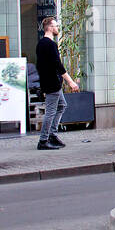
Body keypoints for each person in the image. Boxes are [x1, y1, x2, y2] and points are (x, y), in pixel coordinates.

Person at [36, 17, 80, 150]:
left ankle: (52, 135)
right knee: (51, 111)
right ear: (49, 28)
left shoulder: (40, 44)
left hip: (48, 81)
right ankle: (43, 140)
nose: (57, 28)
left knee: (62, 105)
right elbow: (58, 65)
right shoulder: (50, 44)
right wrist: (71, 82)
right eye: (55, 26)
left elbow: (41, 65)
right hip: (52, 82)